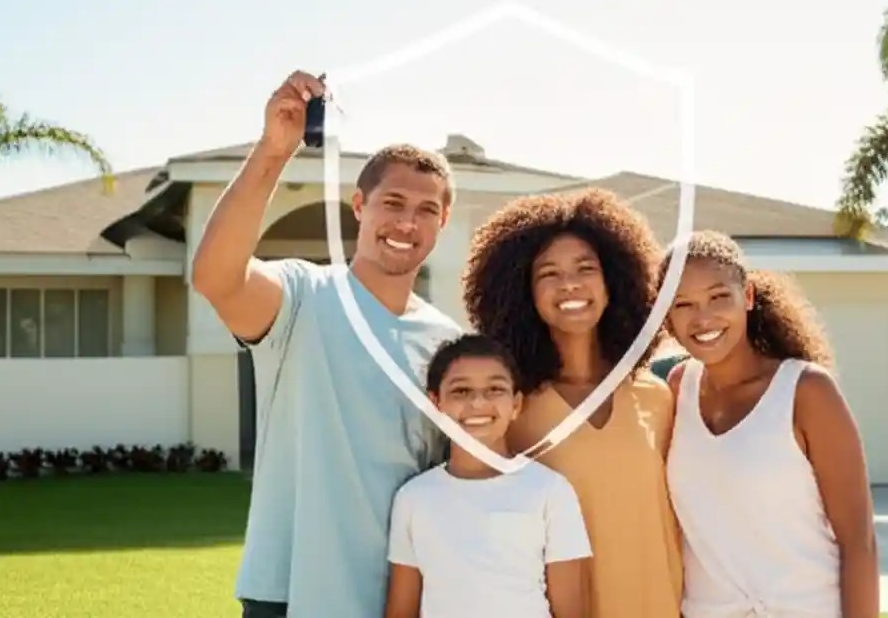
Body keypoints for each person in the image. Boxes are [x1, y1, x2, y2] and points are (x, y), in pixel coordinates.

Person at [190, 70, 464, 617]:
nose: (407, 222)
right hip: (288, 592)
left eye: (426, 210)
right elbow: (216, 278)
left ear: (443, 221)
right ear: (359, 206)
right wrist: (274, 150)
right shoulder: (302, 294)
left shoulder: (450, 344)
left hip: (400, 599)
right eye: (393, 203)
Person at [461, 187, 684, 618]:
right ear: (523, 291)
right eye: (549, 273)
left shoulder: (657, 399)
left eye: (586, 268)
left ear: (613, 281)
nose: (571, 284)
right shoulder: (510, 412)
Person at [658, 230, 879, 618]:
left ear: (748, 296)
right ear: (667, 319)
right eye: (683, 304)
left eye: (718, 296)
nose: (703, 317)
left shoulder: (806, 391)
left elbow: (858, 543)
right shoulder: (677, 388)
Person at [384, 333, 592, 618]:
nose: (478, 403)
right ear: (436, 404)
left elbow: (572, 610)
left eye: (495, 389)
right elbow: (401, 609)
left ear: (516, 404)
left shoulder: (550, 491)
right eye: (461, 391)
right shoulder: (413, 498)